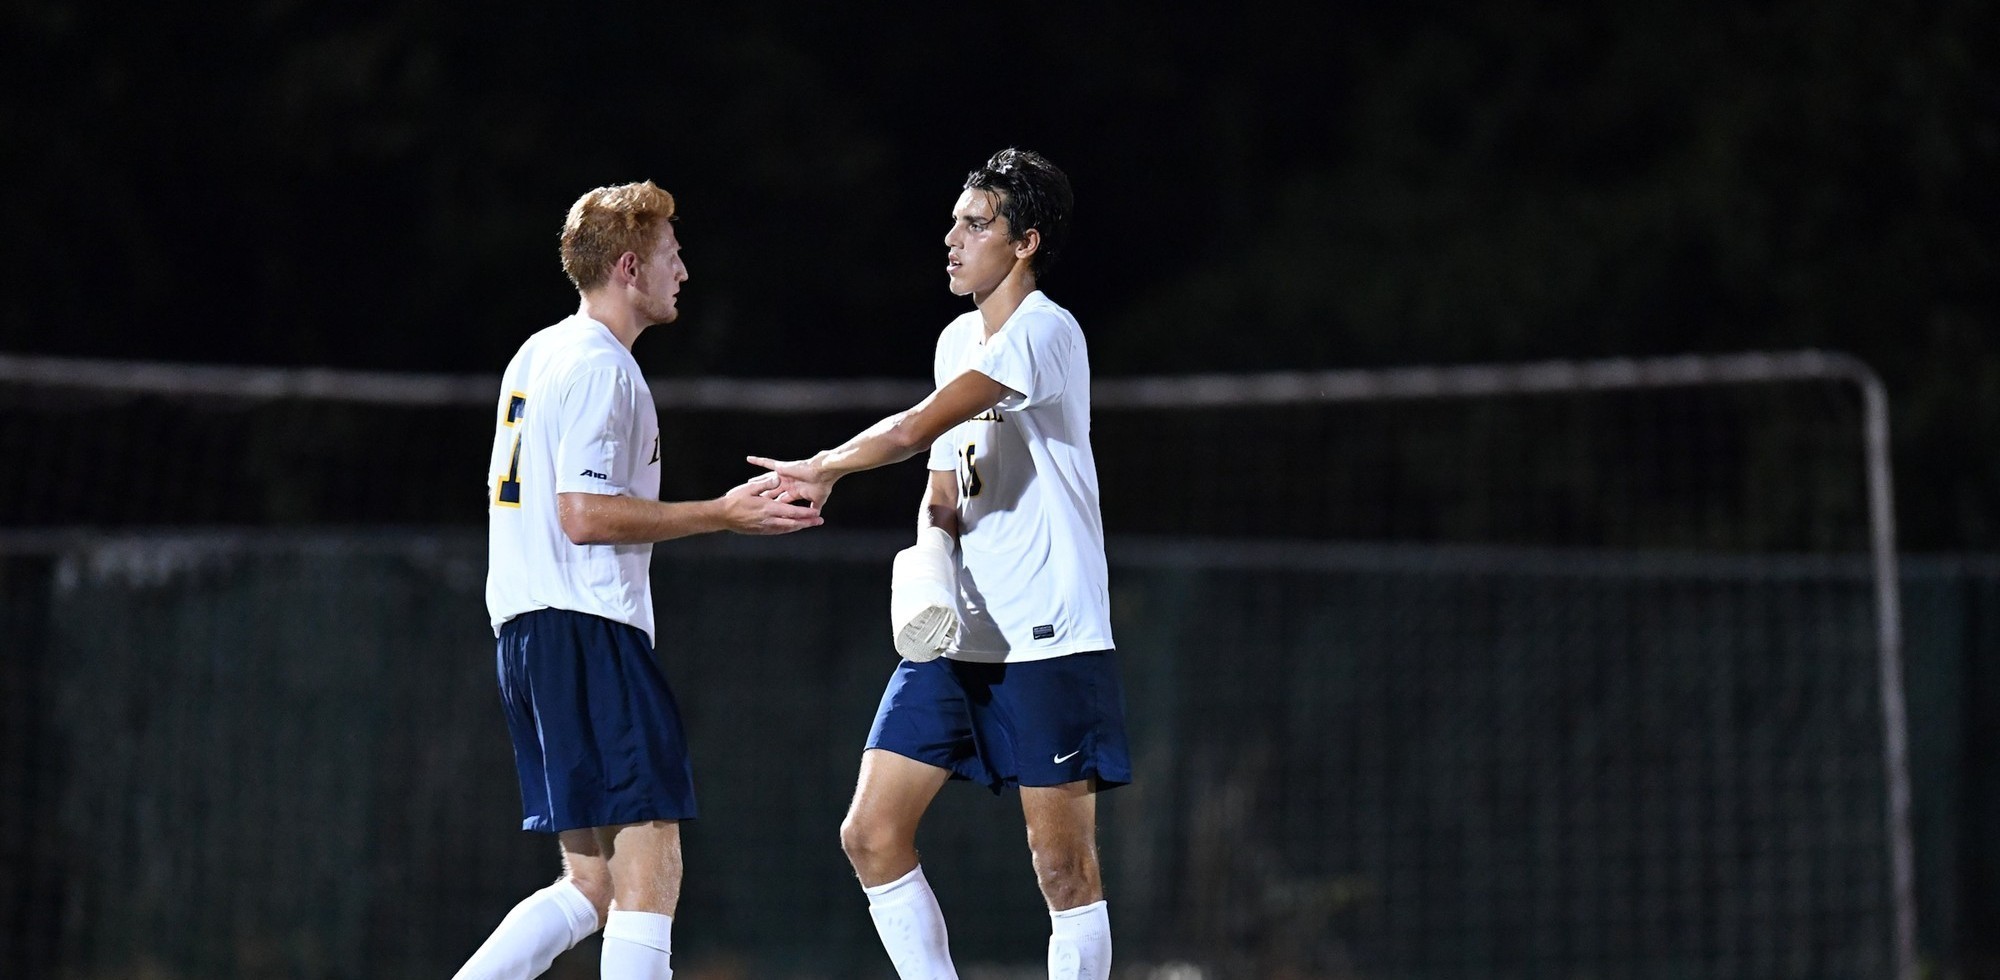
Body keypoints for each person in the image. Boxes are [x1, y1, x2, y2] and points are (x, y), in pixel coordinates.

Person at [748, 148, 1129, 980]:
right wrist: (930, 551)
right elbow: (943, 482)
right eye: (954, 219)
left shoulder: (1044, 331)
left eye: (975, 222)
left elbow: (920, 424)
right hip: (962, 635)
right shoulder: (957, 335)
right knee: (871, 833)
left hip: (1048, 635)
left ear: (1025, 242)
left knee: (1060, 869)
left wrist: (826, 465)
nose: (951, 236)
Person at [459, 180, 823, 980]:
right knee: (650, 872)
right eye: (671, 255)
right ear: (630, 266)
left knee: (590, 887)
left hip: (527, 633)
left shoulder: (537, 351)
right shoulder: (602, 368)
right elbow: (584, 513)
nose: (683, 271)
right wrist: (722, 513)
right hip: (586, 630)